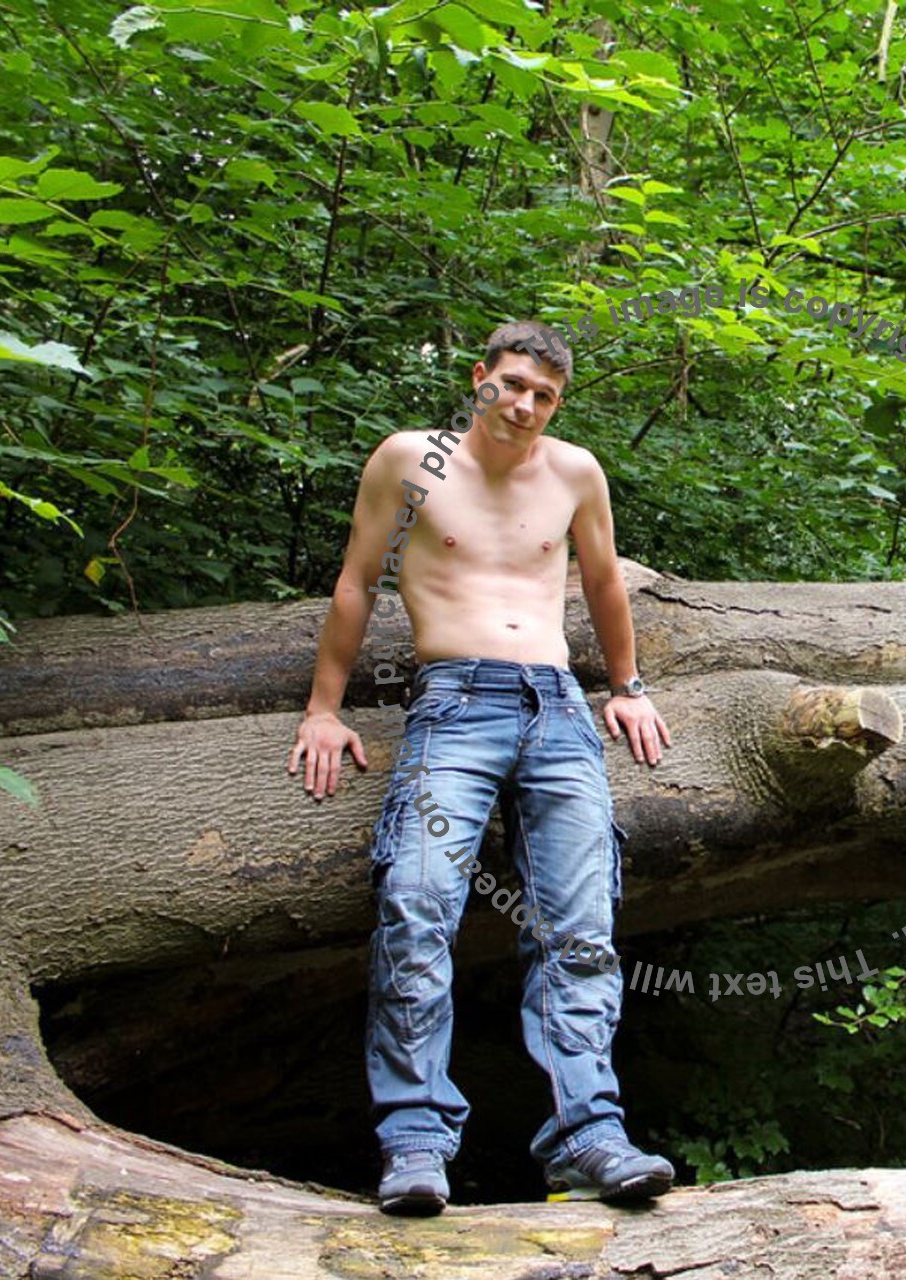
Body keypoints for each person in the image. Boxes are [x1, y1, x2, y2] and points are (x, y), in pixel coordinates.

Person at [287, 320, 676, 1215]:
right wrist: (323, 708)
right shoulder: (410, 461)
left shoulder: (574, 472)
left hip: (558, 710)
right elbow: (358, 582)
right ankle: (415, 1143)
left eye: (543, 395)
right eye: (510, 385)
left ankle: (589, 1138)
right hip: (454, 707)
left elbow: (606, 581)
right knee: (417, 903)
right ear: (479, 381)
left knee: (579, 926)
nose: (523, 406)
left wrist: (628, 685)